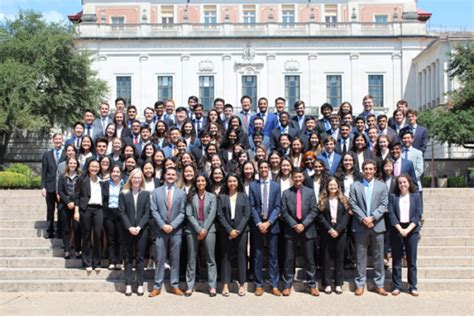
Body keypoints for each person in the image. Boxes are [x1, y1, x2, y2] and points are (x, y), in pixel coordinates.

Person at [349, 160, 389, 296]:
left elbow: (384, 204)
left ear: (375, 170)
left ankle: (379, 285)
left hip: (377, 225)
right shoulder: (355, 186)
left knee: (378, 257)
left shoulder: (382, 186)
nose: (368, 171)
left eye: (371, 169)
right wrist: (363, 219)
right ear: (362, 170)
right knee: (360, 257)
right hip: (360, 225)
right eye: (366, 169)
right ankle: (360, 284)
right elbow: (353, 204)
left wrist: (372, 218)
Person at [281, 168, 319, 296]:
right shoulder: (286, 193)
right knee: (289, 259)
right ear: (292, 178)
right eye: (295, 177)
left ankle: (312, 284)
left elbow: (314, 210)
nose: (297, 179)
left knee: (309, 259)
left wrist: (303, 224)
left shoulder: (310, 192)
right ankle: (287, 285)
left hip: (307, 229)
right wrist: (294, 224)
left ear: (303, 178)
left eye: (300, 177)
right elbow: (284, 212)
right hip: (291, 230)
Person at [149, 167, 186, 297]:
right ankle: (157, 286)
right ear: (164, 176)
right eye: (168, 174)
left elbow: (183, 212)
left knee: (175, 259)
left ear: (176, 177)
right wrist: (163, 225)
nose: (170, 176)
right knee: (160, 258)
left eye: (173, 175)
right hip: (160, 230)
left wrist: (173, 225)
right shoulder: (156, 192)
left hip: (176, 231)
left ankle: (174, 285)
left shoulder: (181, 193)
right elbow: (154, 210)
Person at [249, 160, 282, 296]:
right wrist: (259, 223)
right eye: (261, 167)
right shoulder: (253, 185)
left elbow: (277, 206)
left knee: (273, 255)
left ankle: (274, 285)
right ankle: (258, 285)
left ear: (269, 169)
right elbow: (252, 206)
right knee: (257, 255)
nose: (263, 169)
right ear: (258, 170)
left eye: (265, 167)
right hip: (257, 225)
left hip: (272, 224)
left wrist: (268, 222)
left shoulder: (275, 185)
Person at [388, 174, 423, 297]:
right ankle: (397, 286)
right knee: (396, 259)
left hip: (411, 229)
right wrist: (400, 229)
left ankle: (412, 286)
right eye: (400, 183)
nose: (402, 185)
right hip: (396, 229)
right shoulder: (393, 197)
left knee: (411, 260)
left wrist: (407, 229)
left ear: (409, 183)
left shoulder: (416, 196)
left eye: (405, 182)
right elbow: (391, 214)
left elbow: (418, 214)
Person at [184, 174, 218, 297]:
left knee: (210, 259)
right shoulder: (190, 196)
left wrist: (204, 229)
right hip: (192, 230)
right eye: (198, 181)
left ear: (206, 182)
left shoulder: (212, 197)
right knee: (191, 259)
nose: (200, 182)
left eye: (203, 180)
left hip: (209, 230)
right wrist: (198, 229)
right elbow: (189, 214)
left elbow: (212, 214)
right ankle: (189, 286)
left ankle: (212, 286)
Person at [217, 173, 251, 297]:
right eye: (230, 181)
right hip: (226, 230)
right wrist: (229, 230)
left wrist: (238, 230)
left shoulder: (243, 196)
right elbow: (219, 215)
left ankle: (242, 284)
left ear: (238, 183)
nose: (232, 183)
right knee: (226, 256)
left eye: (234, 181)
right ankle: (225, 284)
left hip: (241, 230)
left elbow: (247, 214)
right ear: (226, 183)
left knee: (242, 256)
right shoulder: (222, 196)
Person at [119, 168, 151, 296]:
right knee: (128, 258)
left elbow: (147, 212)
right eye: (134, 177)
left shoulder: (146, 194)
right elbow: (122, 212)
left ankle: (140, 284)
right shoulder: (124, 193)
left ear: (141, 179)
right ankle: (128, 284)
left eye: (139, 178)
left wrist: (139, 226)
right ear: (130, 179)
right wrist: (129, 227)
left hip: (141, 231)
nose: (136, 180)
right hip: (127, 230)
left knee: (140, 258)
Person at [318, 177, 350, 295]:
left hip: (341, 232)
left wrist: (338, 229)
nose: (333, 187)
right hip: (327, 232)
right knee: (326, 258)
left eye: (335, 185)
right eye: (330, 185)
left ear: (338, 186)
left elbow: (347, 215)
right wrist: (330, 229)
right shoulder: (322, 199)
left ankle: (338, 284)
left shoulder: (344, 200)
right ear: (327, 187)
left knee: (339, 259)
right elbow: (320, 217)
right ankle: (326, 284)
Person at [74, 159, 106, 271]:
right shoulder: (82, 180)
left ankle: (97, 262)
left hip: (98, 210)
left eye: (97, 167)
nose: (94, 169)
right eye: (92, 166)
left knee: (98, 235)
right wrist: (76, 211)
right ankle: (86, 262)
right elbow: (76, 196)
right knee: (86, 236)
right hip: (86, 209)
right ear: (88, 167)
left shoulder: (101, 181)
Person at [41, 132, 66, 239]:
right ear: (53, 140)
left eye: (60, 139)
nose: (58, 141)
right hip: (50, 187)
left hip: (62, 187)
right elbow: (44, 172)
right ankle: (50, 230)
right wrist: (43, 187)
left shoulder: (66, 154)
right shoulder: (47, 154)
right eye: (56, 139)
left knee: (61, 211)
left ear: (62, 140)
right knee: (50, 210)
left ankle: (60, 231)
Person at [57, 157, 81, 259]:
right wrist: (67, 202)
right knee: (66, 229)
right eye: (70, 163)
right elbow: (60, 191)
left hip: (77, 206)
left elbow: (81, 192)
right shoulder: (62, 177)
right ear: (67, 164)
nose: (72, 165)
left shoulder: (80, 177)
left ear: (77, 165)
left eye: (74, 163)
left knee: (77, 228)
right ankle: (67, 250)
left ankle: (77, 250)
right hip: (64, 206)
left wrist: (74, 203)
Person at [103, 164, 124, 270]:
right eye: (113, 172)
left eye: (117, 172)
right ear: (110, 173)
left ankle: (119, 261)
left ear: (121, 173)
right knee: (110, 239)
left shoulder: (125, 185)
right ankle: (111, 261)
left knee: (120, 239)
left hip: (120, 213)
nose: (115, 174)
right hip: (108, 213)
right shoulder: (105, 184)